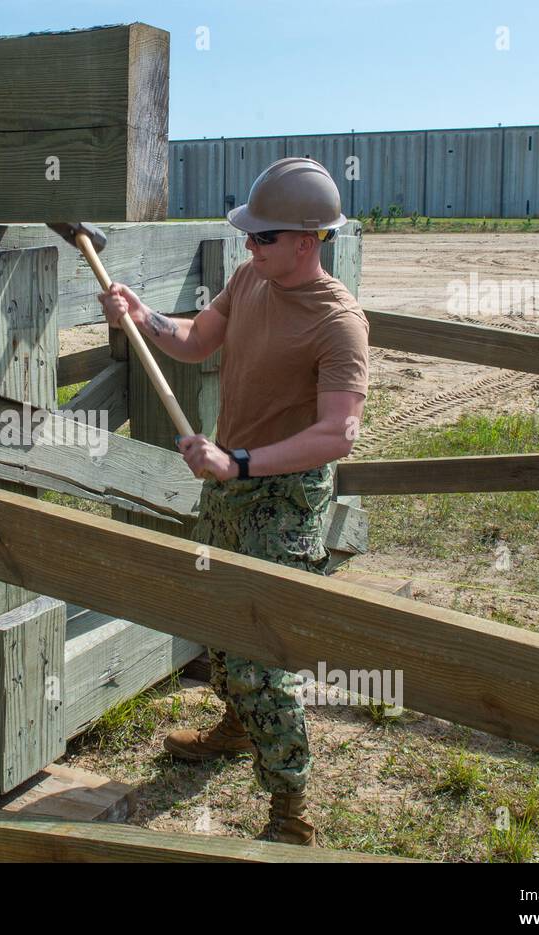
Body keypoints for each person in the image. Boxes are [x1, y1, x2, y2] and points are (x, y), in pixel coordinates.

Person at [97, 156, 369, 846]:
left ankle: (291, 806)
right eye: (248, 236)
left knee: (262, 653)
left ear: (307, 241)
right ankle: (236, 725)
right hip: (229, 483)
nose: (249, 246)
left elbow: (338, 433)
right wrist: (141, 315)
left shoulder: (339, 322)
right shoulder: (250, 279)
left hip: (282, 497)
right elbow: (194, 340)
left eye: (262, 237)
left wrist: (239, 461)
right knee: (216, 619)